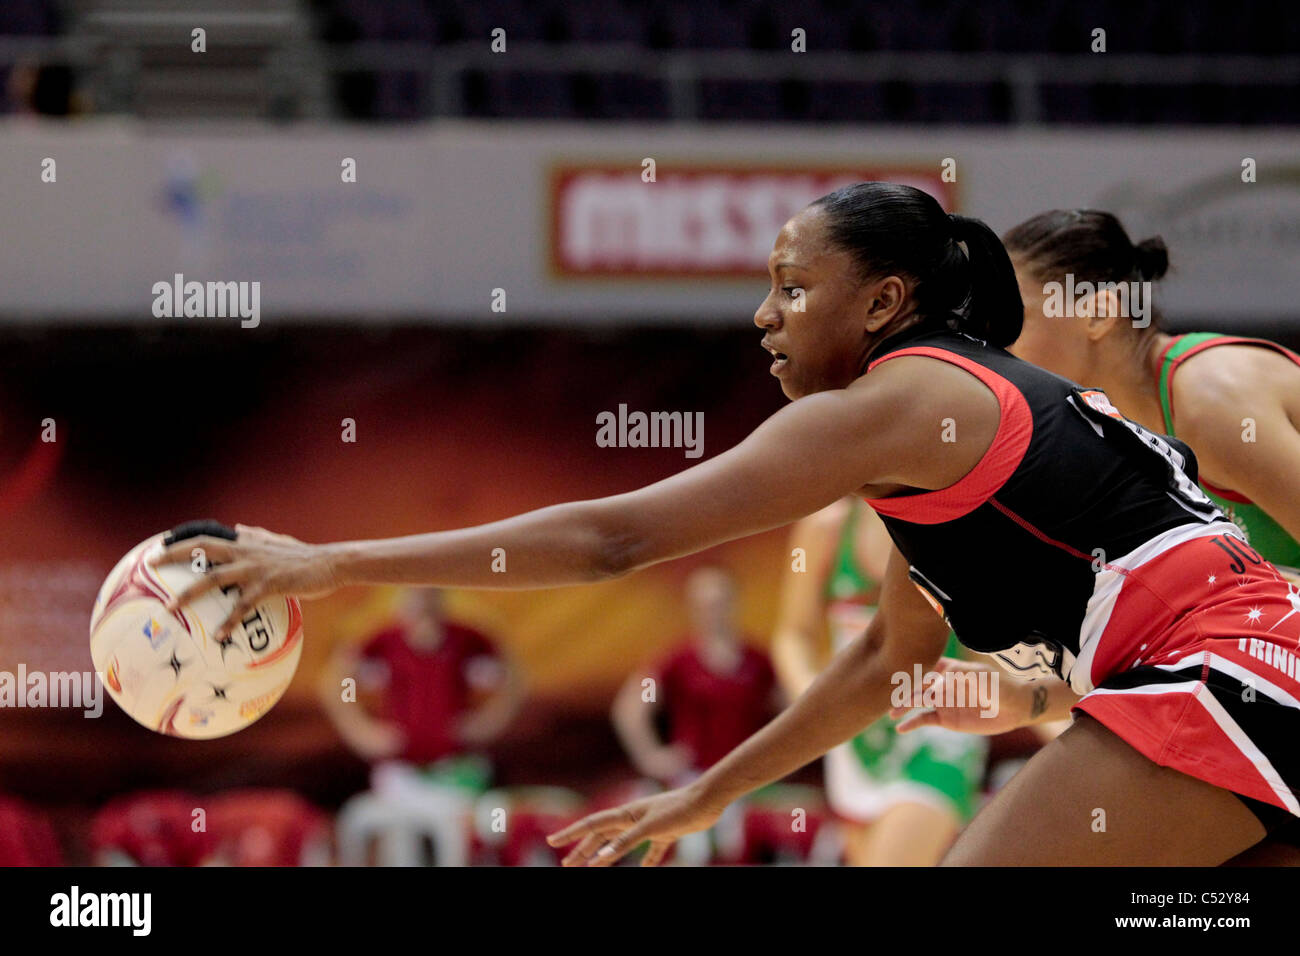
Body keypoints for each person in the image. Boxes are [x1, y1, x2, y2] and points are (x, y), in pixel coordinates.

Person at [152, 181, 1300, 866]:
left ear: (887, 301)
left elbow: (615, 537)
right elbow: (879, 660)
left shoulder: (897, 400)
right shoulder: (942, 435)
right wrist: (711, 791)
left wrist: (328, 558)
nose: (764, 315)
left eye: (793, 287)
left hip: (1227, 665)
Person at [1003, 209, 1300, 575]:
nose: (994, 343)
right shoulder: (1095, 430)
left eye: (1013, 318)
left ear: (1098, 315)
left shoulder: (1211, 399)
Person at [773, 498, 985, 865]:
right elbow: (793, 633)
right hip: (852, 734)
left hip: (938, 728)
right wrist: (811, 695)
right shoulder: (826, 527)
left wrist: (1050, 709)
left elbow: (993, 651)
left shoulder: (962, 520)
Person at [319, 587, 522, 797]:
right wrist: (361, 731)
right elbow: (337, 682)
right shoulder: (384, 639)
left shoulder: (466, 637)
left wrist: (488, 722)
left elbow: (513, 677)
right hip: (400, 769)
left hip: (456, 766)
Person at [612, 566, 777, 784]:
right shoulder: (676, 661)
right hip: (695, 777)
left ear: (734, 602)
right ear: (692, 607)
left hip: (750, 777)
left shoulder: (758, 660)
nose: (713, 612)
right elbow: (633, 708)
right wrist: (650, 757)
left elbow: (790, 706)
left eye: (719, 603)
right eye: (705, 605)